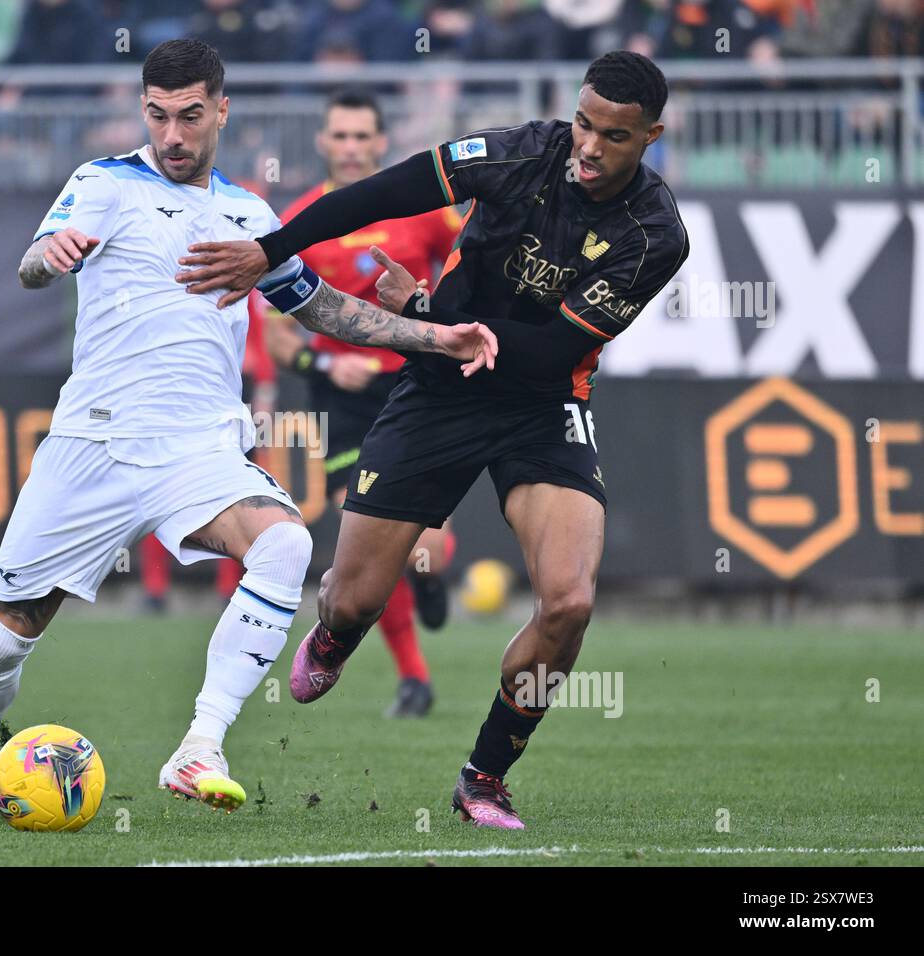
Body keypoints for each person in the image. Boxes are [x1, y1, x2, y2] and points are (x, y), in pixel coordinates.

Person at [0, 38, 496, 824]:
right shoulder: (102, 183)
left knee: (288, 543)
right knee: (5, 638)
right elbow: (31, 264)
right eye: (157, 116)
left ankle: (200, 744)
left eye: (190, 116)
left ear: (221, 111)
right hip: (93, 443)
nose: (172, 135)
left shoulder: (249, 217)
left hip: (198, 448)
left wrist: (436, 336)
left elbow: (322, 307)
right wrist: (47, 256)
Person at [174, 51, 690, 829]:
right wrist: (272, 252)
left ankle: (484, 776)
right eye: (583, 123)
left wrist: (423, 311)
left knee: (570, 602)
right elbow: (386, 191)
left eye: (611, 136)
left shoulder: (656, 234)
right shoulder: (523, 151)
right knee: (354, 599)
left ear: (650, 136)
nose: (587, 147)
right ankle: (339, 633)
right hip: (437, 389)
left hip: (543, 404)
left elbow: (552, 350)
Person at [263, 87, 461, 717]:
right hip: (342, 401)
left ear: (380, 142)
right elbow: (274, 330)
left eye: (361, 137)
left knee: (429, 547)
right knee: (372, 540)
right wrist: (323, 360)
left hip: (418, 387)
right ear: (324, 142)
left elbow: (465, 260)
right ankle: (414, 679)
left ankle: (431, 579)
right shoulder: (300, 220)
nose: (350, 148)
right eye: (339, 136)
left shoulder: (422, 209)